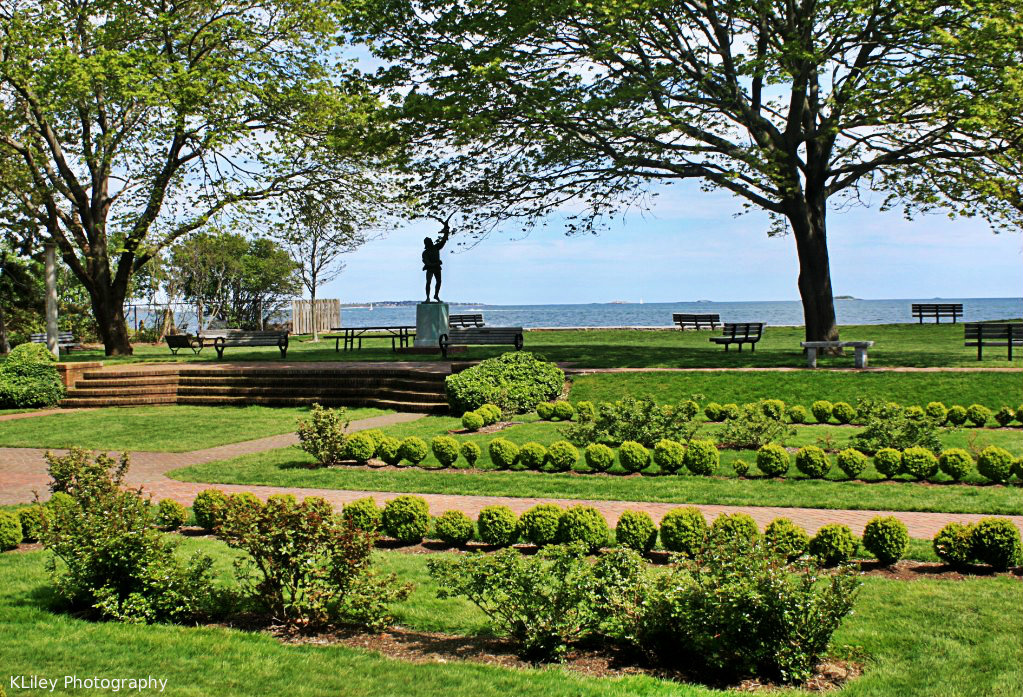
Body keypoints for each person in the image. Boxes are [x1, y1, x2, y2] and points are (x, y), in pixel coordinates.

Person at [422, 221, 451, 302]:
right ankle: (427, 297)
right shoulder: (425, 253)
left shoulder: (436, 247)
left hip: (437, 268)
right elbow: (427, 263)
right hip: (430, 268)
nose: (431, 242)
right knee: (428, 282)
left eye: (431, 241)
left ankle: (436, 295)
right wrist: (437, 263)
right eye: (429, 242)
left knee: (439, 282)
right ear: (427, 244)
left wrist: (446, 233)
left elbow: (443, 241)